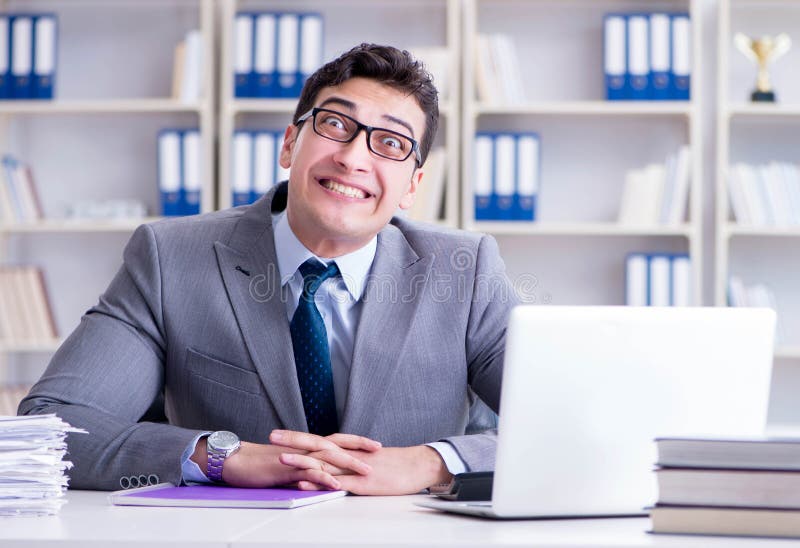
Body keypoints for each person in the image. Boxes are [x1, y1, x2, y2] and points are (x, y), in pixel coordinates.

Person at [19, 43, 518, 495]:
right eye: (336, 125)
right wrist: (217, 456)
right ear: (289, 144)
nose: (353, 157)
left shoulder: (464, 272)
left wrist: (432, 463)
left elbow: (576, 423)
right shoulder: (171, 258)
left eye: (390, 143)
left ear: (412, 185)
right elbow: (54, 426)